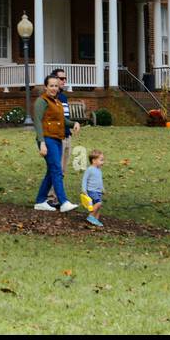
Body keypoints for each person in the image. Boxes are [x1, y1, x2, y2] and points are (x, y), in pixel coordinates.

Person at [32, 75, 77, 212]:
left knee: (52, 171)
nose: (54, 88)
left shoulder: (57, 102)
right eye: (51, 85)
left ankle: (40, 201)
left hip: (57, 139)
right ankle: (63, 202)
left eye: (56, 86)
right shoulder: (41, 101)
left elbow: (62, 120)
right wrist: (42, 143)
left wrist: (73, 123)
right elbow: (37, 122)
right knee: (57, 169)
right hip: (47, 139)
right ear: (45, 87)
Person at [46, 68, 81, 208]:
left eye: (65, 78)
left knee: (62, 170)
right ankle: (51, 198)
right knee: (56, 169)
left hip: (67, 136)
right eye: (61, 78)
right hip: (57, 138)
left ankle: (54, 197)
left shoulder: (64, 97)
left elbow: (64, 118)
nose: (64, 81)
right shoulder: (51, 98)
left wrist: (72, 125)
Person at [81, 150, 105, 228]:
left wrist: (102, 188)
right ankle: (90, 216)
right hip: (92, 191)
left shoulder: (99, 170)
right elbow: (84, 180)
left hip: (98, 191)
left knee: (99, 206)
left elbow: (100, 180)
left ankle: (95, 220)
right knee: (98, 203)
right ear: (94, 161)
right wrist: (84, 189)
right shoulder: (90, 169)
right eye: (101, 160)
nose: (103, 162)